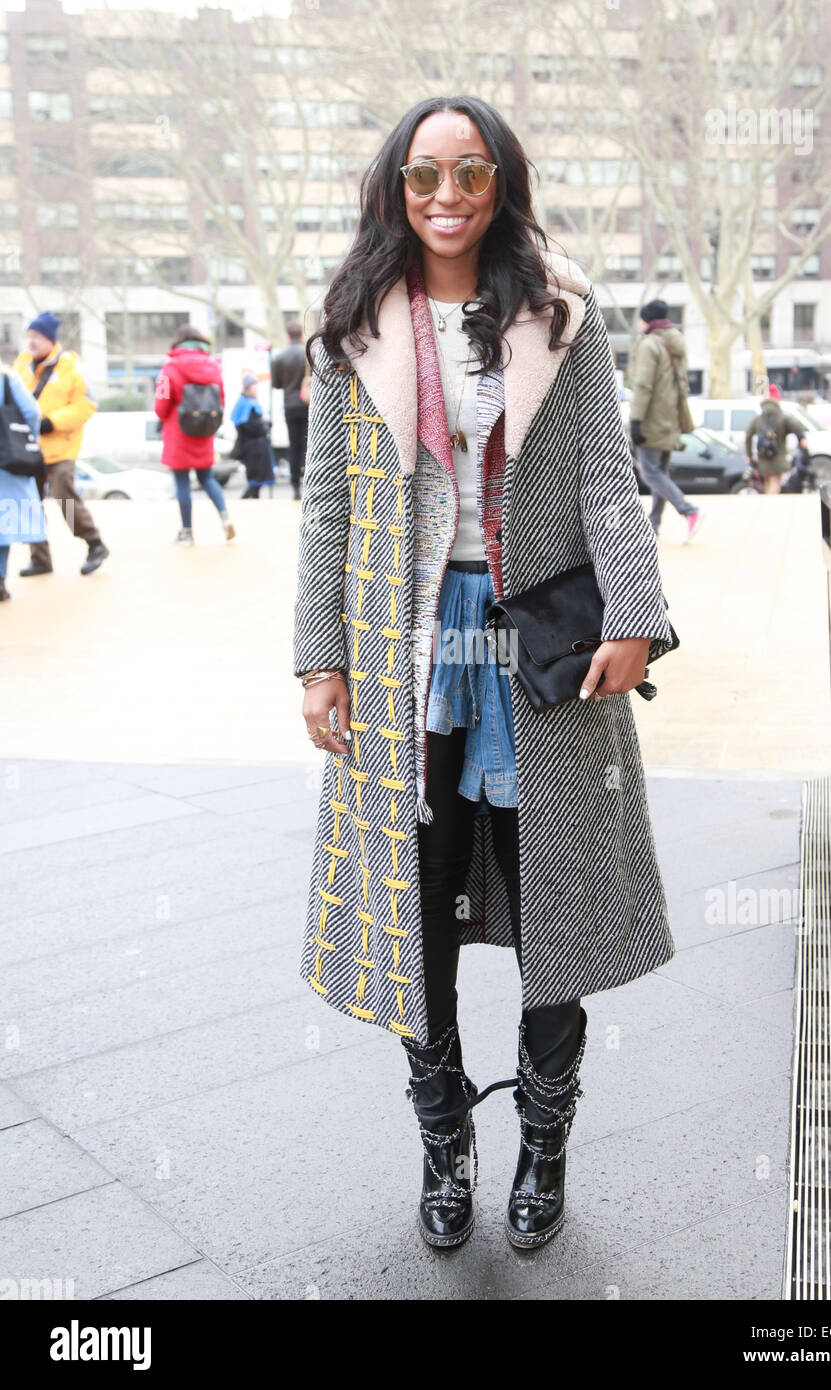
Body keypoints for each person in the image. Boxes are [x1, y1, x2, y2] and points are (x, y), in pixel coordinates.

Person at [292, 96, 676, 1252]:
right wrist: (319, 657)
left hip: (539, 637)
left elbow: (610, 479)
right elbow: (325, 505)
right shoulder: (355, 319)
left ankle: (545, 1142)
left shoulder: (561, 312)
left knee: (552, 894)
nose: (447, 198)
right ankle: (446, 1146)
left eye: (469, 174)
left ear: (501, 181)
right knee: (417, 905)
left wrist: (640, 615)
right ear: (395, 187)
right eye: (424, 177)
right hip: (402, 640)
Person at [13, 312, 109, 577]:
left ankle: (94, 544)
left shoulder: (70, 366)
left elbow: (87, 404)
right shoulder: (21, 365)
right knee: (30, 501)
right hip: (28, 447)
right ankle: (40, 558)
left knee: (63, 496)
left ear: (49, 339)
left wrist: (52, 422)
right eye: (29, 336)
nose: (31, 342)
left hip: (61, 447)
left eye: (36, 337)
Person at [628, 300, 704, 541]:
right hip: (670, 419)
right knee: (659, 473)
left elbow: (643, 385)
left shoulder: (650, 344)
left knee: (650, 474)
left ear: (647, 319)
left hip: (651, 420)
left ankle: (689, 511)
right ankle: (654, 525)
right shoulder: (675, 341)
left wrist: (636, 420)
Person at [153, 324, 235, 545]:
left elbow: (160, 406)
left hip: (178, 432)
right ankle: (225, 517)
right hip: (204, 431)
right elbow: (221, 400)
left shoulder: (169, 368)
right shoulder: (214, 366)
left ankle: (187, 533)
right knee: (207, 478)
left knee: (181, 481)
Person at [0, 363, 48, 601]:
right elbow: (31, 412)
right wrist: (24, 442)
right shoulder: (7, 377)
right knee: (3, 524)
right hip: (6, 460)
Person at [271, 320, 309, 500]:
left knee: (293, 445)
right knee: (310, 444)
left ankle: (295, 486)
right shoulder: (310, 353)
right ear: (301, 335)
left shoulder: (280, 357)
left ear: (287, 336)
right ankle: (310, 481)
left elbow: (276, 384)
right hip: (309, 404)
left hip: (290, 404)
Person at [231, 372, 276, 499]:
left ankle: (252, 501)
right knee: (256, 478)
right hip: (254, 447)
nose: (256, 388)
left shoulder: (245, 402)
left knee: (255, 479)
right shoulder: (248, 404)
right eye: (254, 385)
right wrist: (265, 426)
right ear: (248, 387)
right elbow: (252, 426)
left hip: (252, 446)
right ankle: (244, 500)